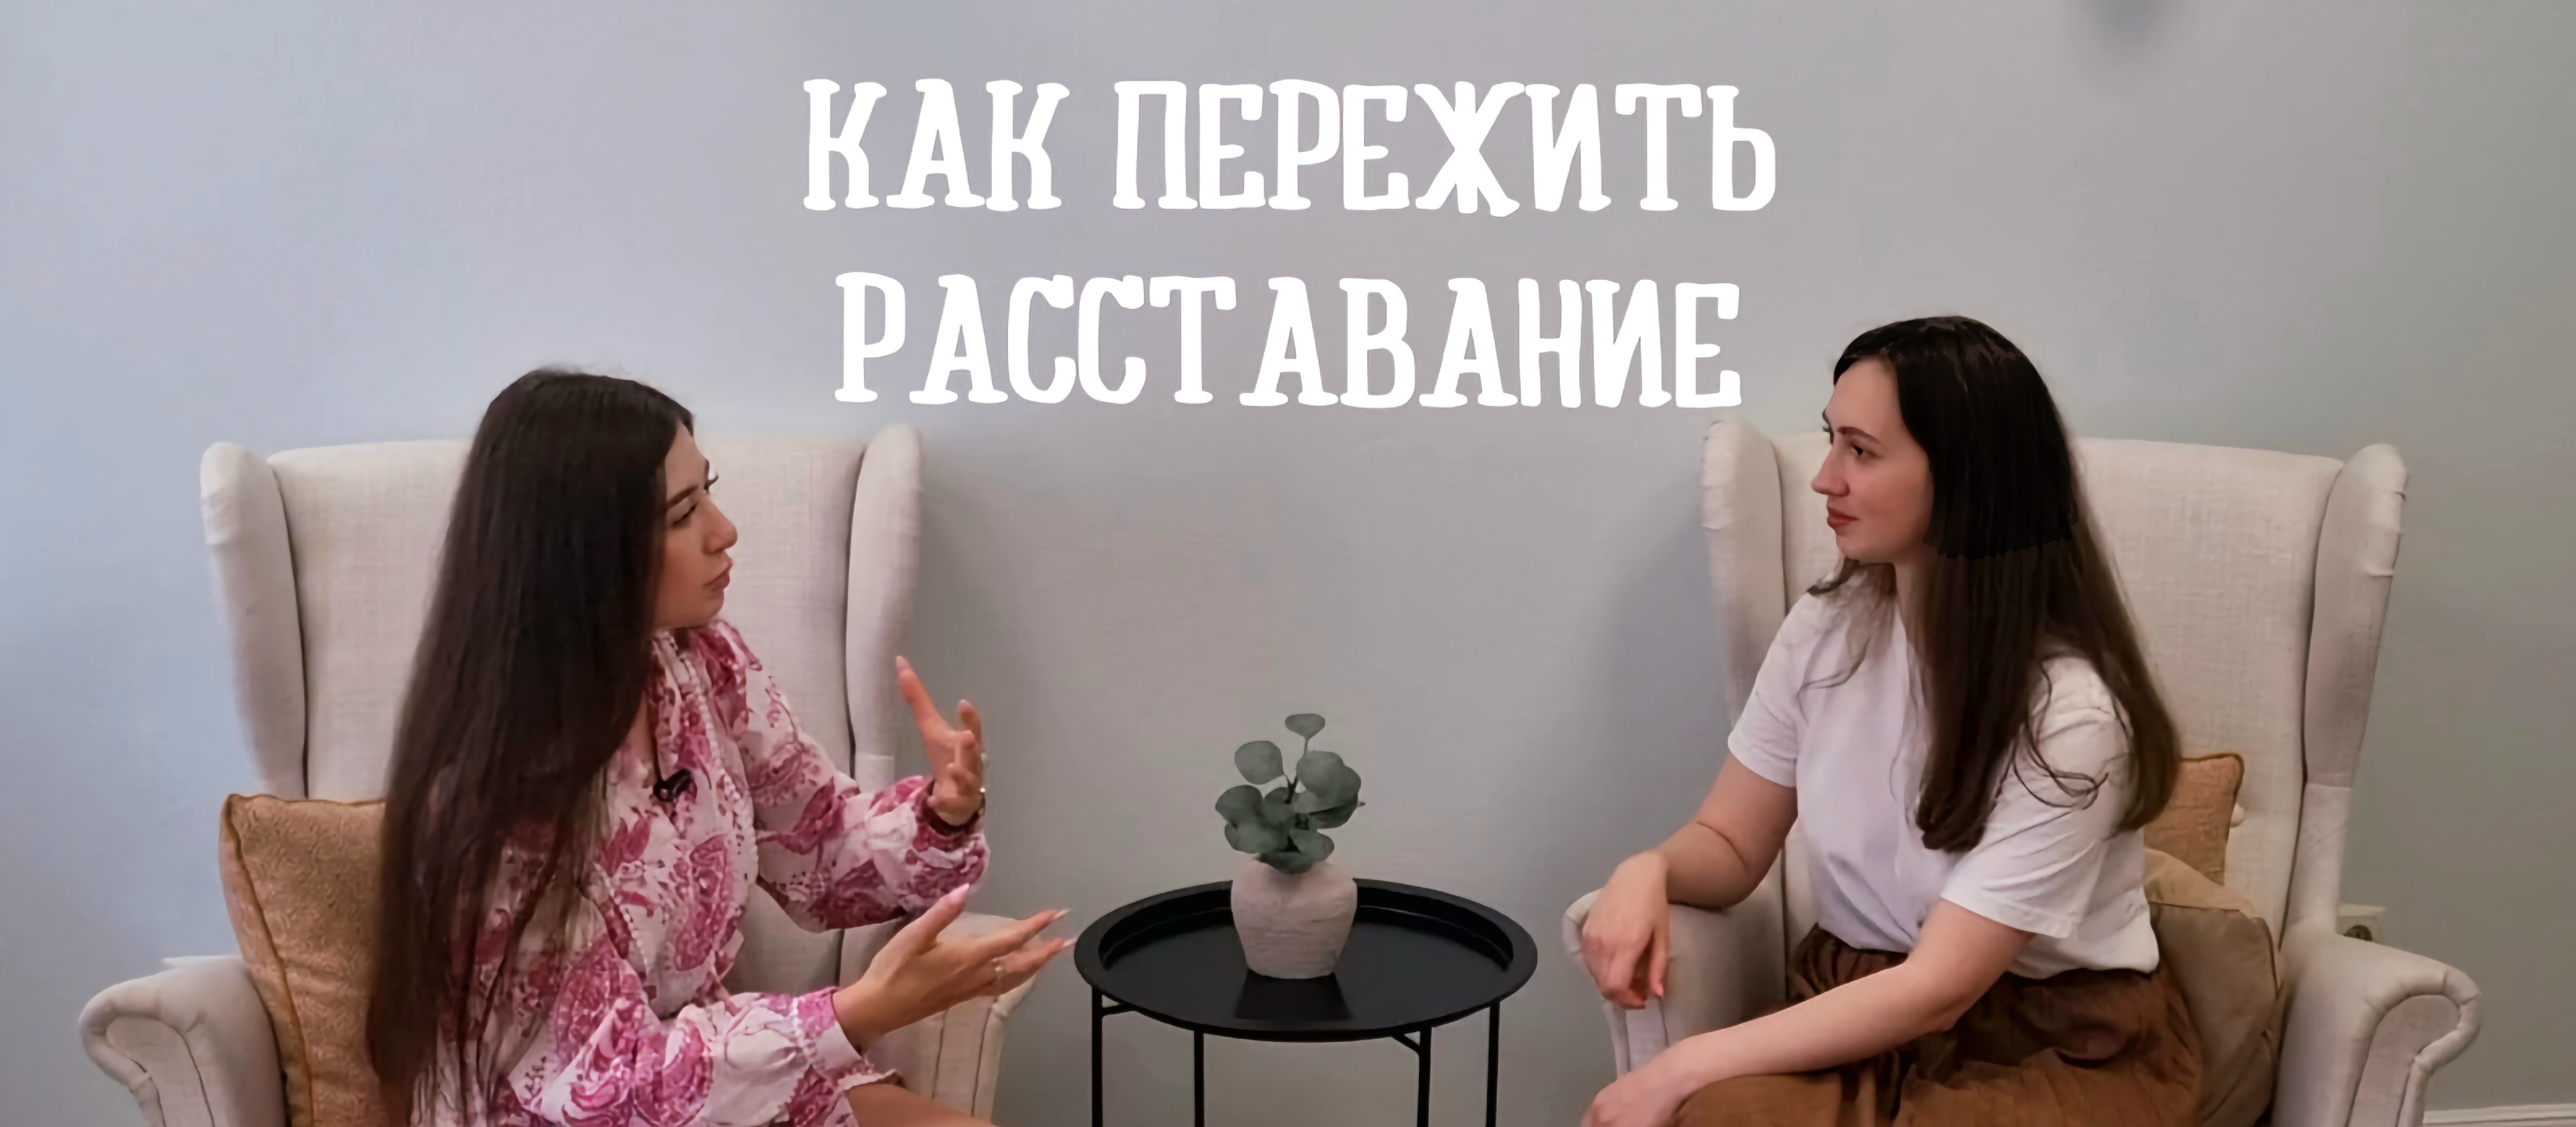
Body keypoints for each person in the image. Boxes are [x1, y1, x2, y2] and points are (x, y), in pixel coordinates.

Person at [365, 369, 1068, 1127]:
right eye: (682, 513)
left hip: (714, 1077)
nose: (724, 530)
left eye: (709, 491)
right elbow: (599, 1089)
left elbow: (819, 846)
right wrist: (858, 1012)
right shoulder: (495, 800)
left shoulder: (701, 661)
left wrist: (944, 814)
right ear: (584, 553)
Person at [1578, 317, 2201, 1126]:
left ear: (1968, 480)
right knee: (1718, 1116)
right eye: (1831, 440)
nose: (1824, 479)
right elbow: (1731, 844)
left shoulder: (2073, 716)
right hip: (1857, 1001)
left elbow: (1939, 988)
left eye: (1862, 452)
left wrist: (1680, 1063)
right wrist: (1647, 870)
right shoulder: (1825, 630)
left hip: (2048, 1037)